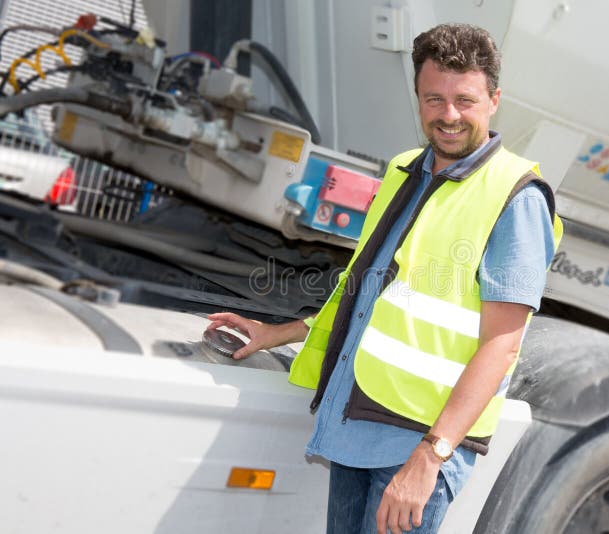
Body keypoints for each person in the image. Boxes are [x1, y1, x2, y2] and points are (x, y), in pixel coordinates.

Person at [206, 23, 561, 534]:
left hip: (415, 446)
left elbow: (501, 346)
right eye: (433, 99)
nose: (449, 115)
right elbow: (365, 290)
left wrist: (430, 457)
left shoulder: (516, 197)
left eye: (465, 99)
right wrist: (275, 332)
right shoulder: (403, 171)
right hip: (357, 420)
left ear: (494, 100)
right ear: (417, 97)